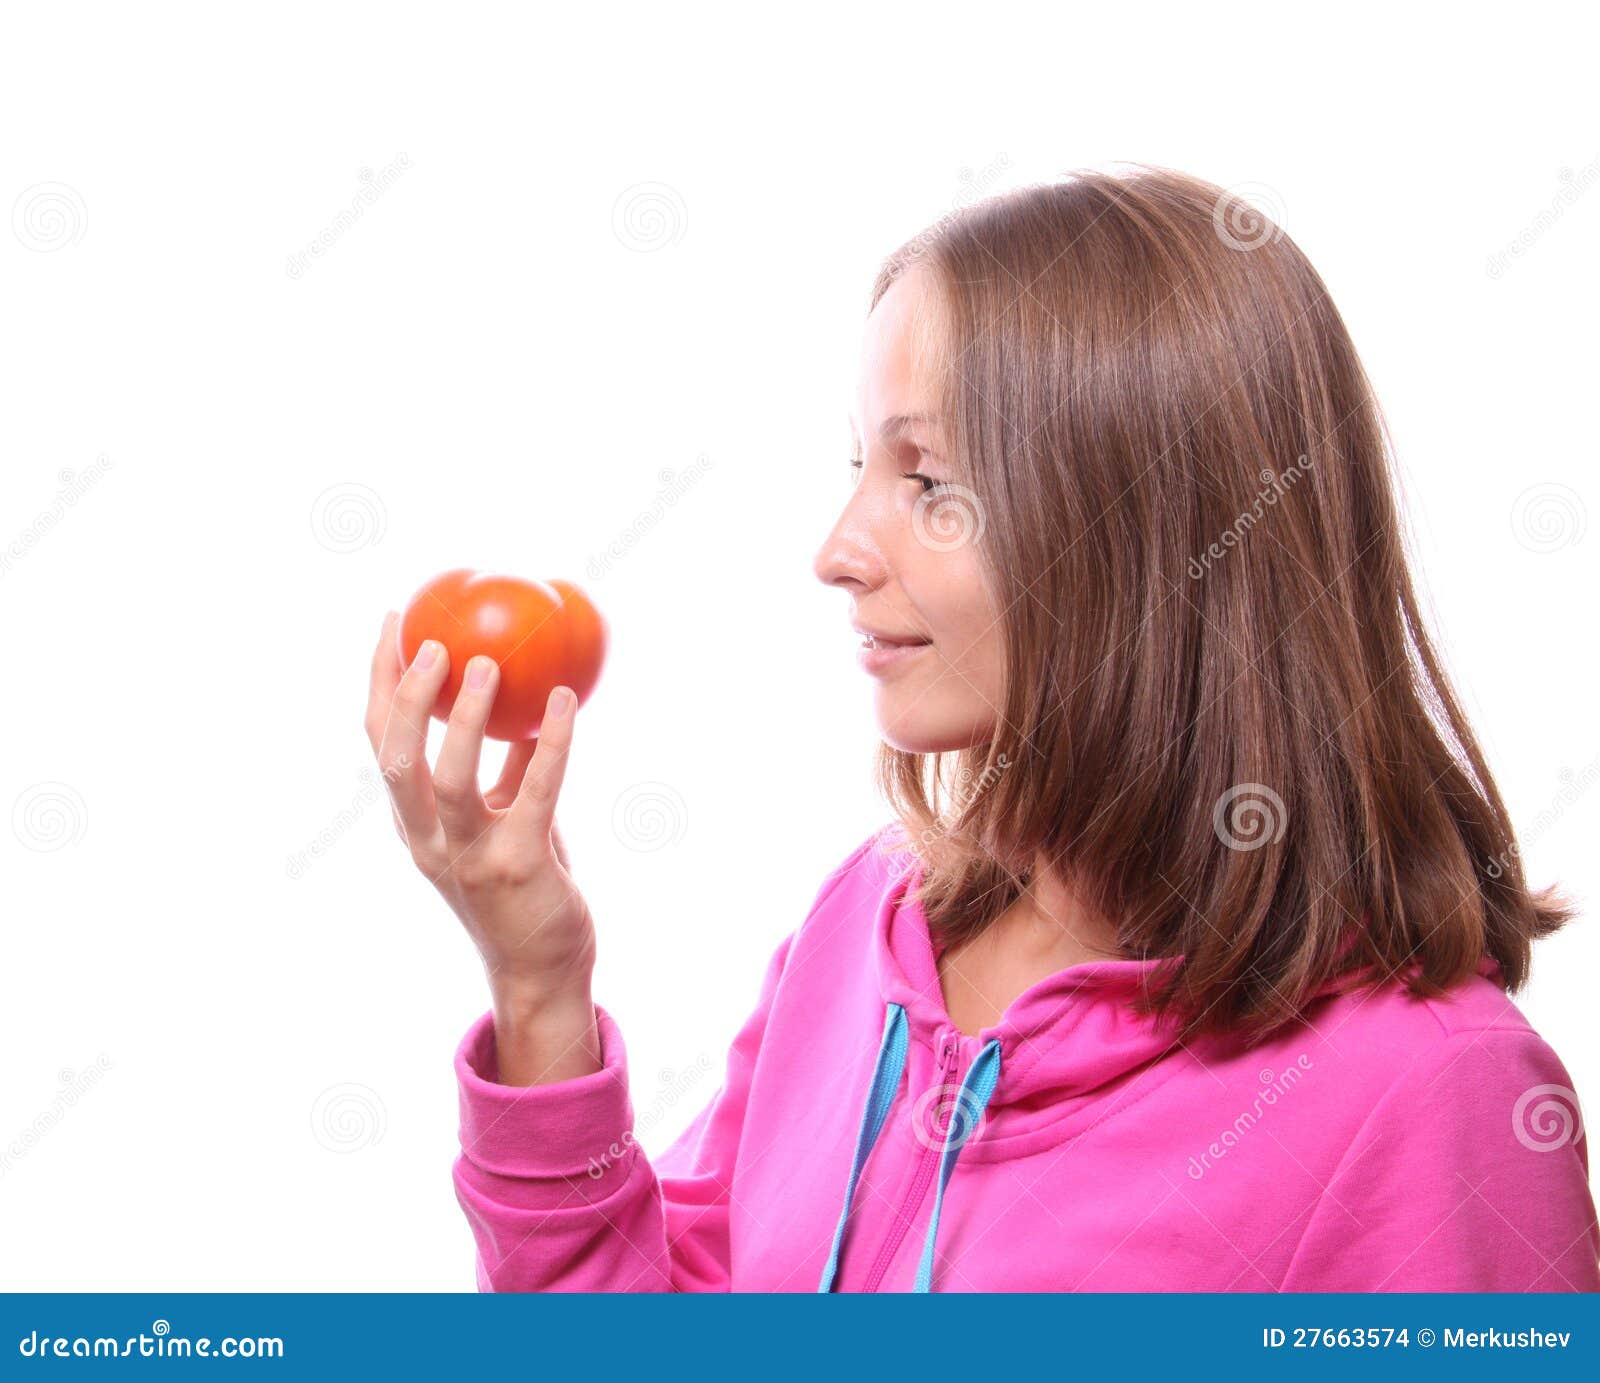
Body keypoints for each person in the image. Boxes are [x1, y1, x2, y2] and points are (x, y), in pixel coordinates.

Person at [363, 164, 1599, 1292]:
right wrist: (539, 988)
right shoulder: (864, 930)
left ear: (1147, 534)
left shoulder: (1434, 1097)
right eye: (860, 465)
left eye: (929, 482)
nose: (837, 552)